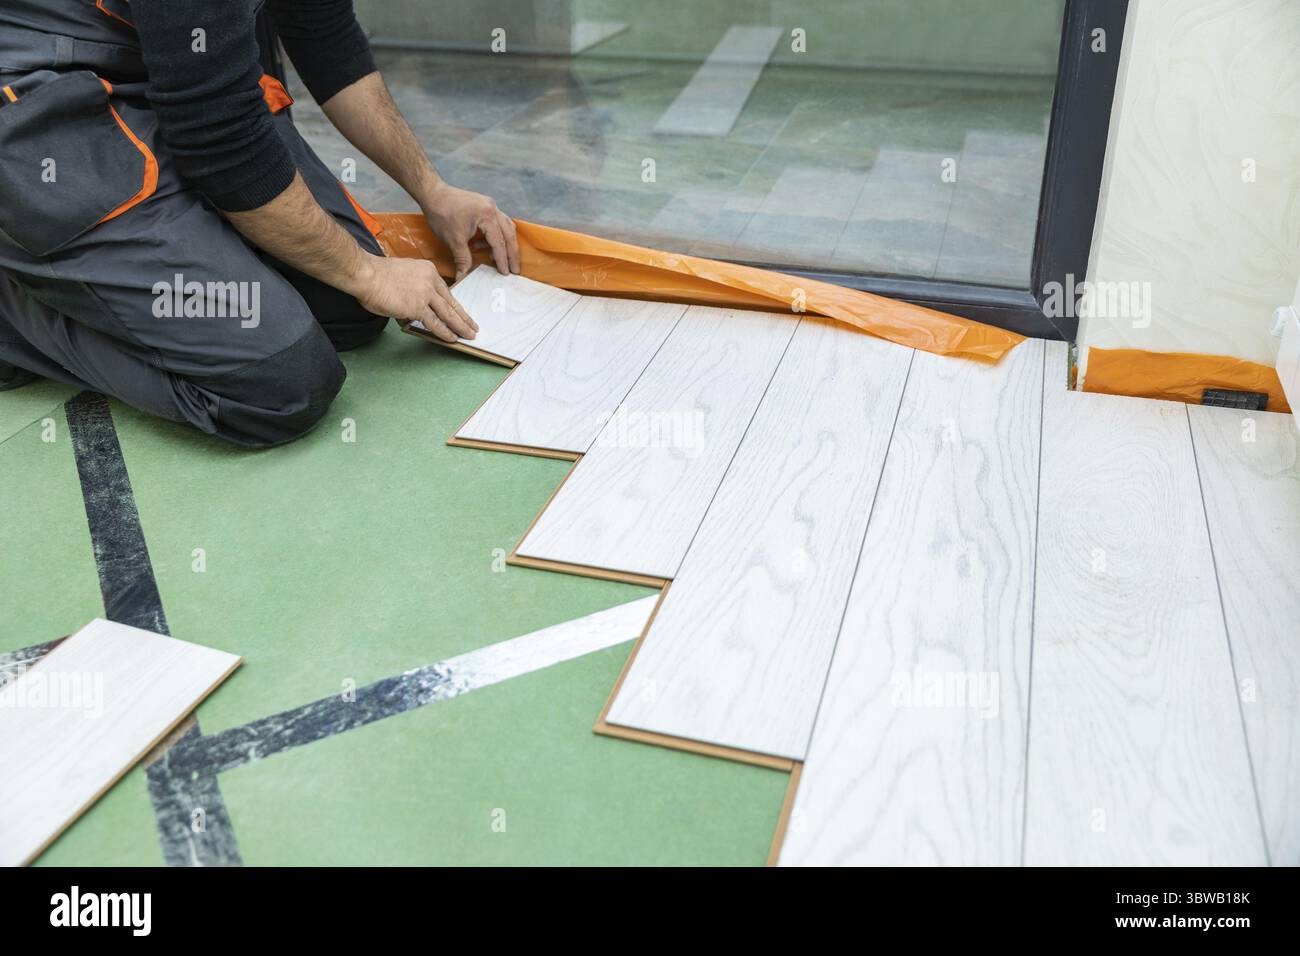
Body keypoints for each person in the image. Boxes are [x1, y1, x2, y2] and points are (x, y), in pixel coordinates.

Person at [0, 0, 520, 446]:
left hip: (161, 83)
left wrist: (432, 189)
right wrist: (366, 272)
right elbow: (220, 139)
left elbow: (325, 37)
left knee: (347, 313)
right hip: (45, 113)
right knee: (281, 383)